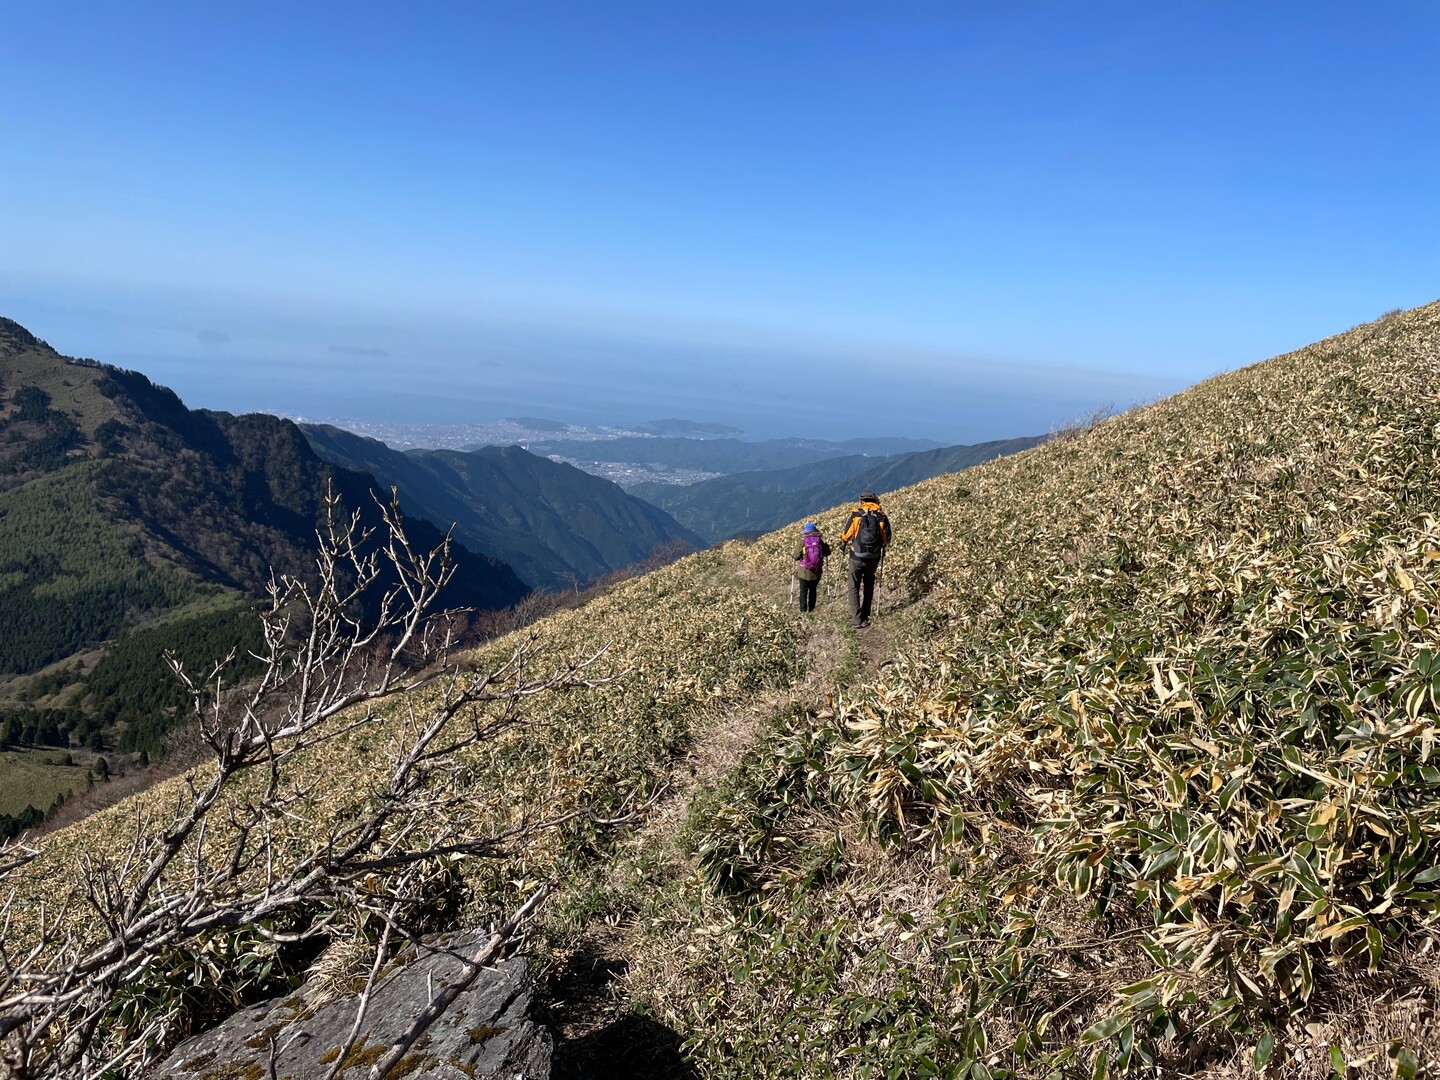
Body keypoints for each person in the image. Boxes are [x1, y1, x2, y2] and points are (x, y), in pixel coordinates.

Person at [840, 491, 891, 628]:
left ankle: (856, 620)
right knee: (868, 584)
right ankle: (866, 616)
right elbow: (887, 539)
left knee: (853, 585)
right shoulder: (881, 516)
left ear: (862, 501)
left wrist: (844, 542)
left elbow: (845, 535)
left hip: (856, 556)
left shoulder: (856, 514)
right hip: (873, 557)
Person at [792, 522, 831, 612]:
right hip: (816, 571)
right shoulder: (819, 540)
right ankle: (811, 609)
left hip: (804, 571)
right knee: (813, 590)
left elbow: (796, 556)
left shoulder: (802, 540)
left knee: (803, 590)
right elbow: (827, 553)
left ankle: (803, 610)